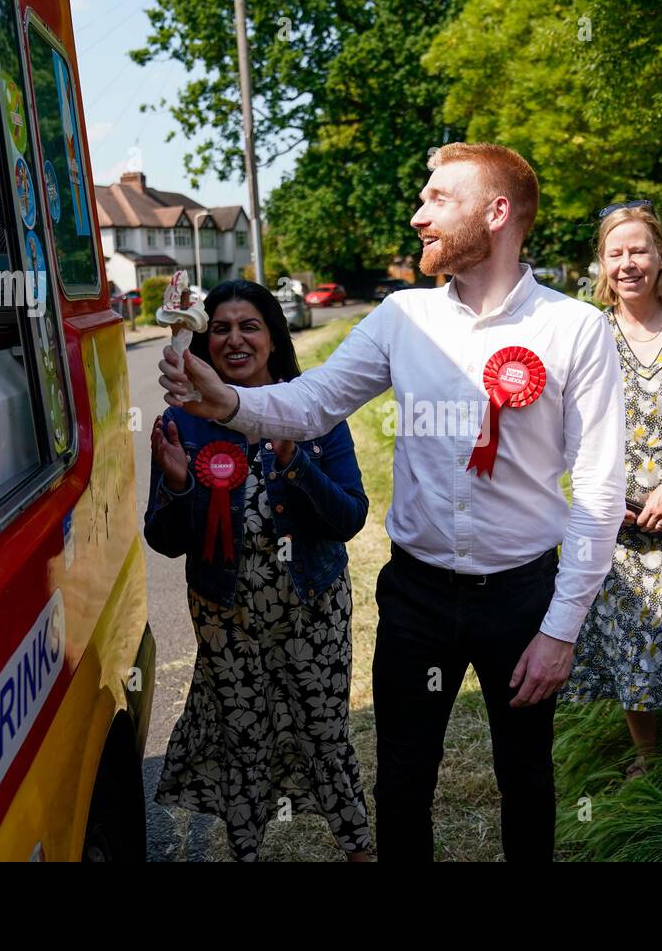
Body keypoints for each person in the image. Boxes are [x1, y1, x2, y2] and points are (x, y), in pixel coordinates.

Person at [160, 143, 625, 861]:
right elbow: (311, 402)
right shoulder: (401, 316)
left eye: (438, 198)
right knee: (403, 782)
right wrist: (224, 401)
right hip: (415, 597)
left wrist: (561, 628)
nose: (417, 215)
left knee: (526, 778)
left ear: (497, 212)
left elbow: (599, 484)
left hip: (522, 598)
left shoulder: (576, 328)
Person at [144, 279, 372, 862]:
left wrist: (294, 460)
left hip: (312, 604)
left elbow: (350, 517)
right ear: (204, 341)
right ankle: (245, 851)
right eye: (219, 328)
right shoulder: (184, 420)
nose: (234, 339)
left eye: (250, 326)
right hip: (225, 612)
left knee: (323, 732)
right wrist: (176, 484)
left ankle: (359, 848)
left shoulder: (311, 410)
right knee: (242, 739)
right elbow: (164, 540)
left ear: (273, 338)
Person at [560, 201, 662, 777]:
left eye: (639, 250)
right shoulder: (588, 332)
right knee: (631, 636)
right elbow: (568, 422)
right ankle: (649, 758)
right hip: (615, 521)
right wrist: (598, 495)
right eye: (615, 252)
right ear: (601, 262)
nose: (628, 263)